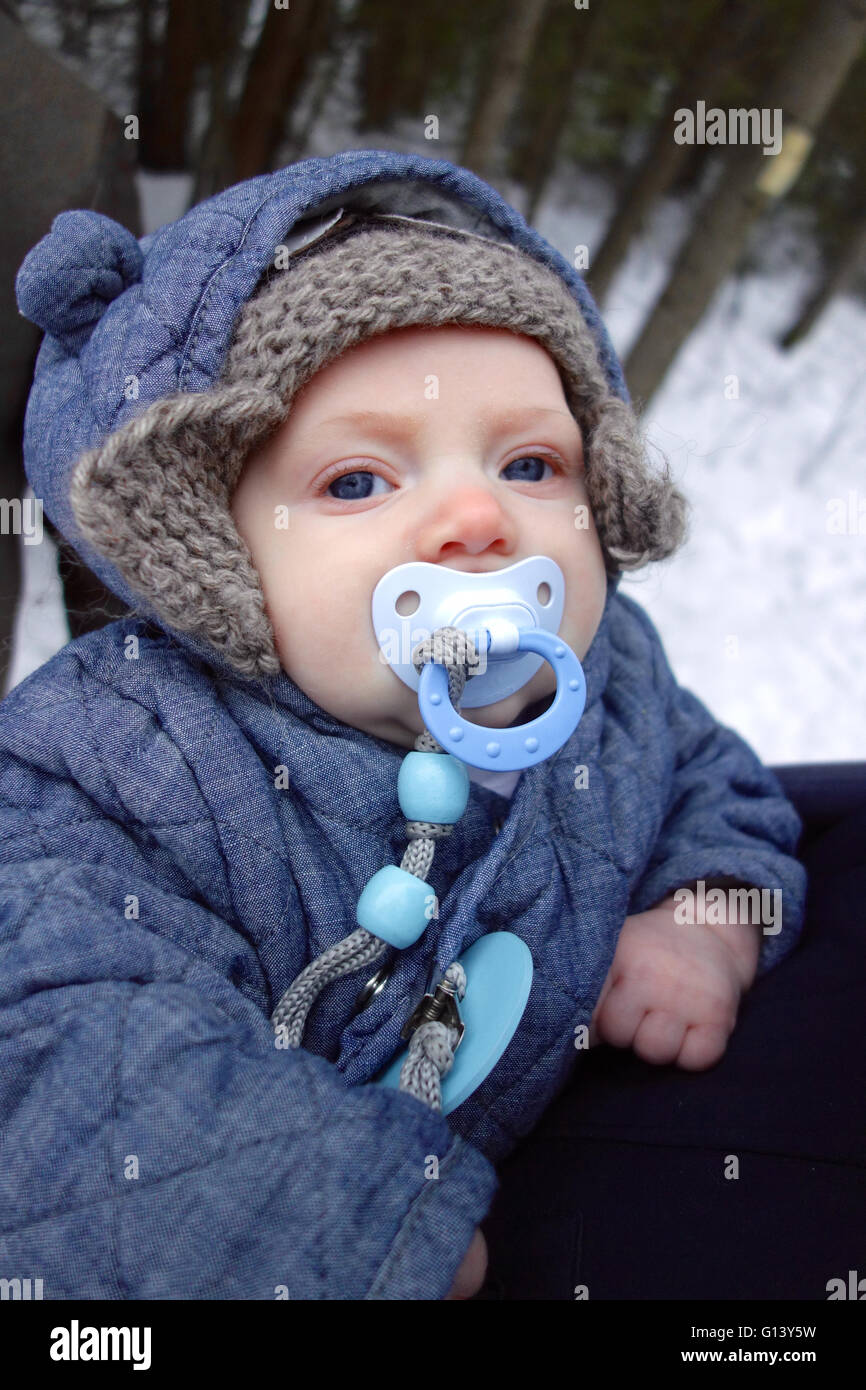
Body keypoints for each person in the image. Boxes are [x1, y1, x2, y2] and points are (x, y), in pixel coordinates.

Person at [3, 149, 805, 1300]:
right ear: (216, 554)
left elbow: (711, 786)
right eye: (358, 481)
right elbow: (54, 1052)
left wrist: (696, 920)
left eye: (530, 462)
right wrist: (341, 1217)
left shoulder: (611, 684)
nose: (477, 515)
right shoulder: (117, 761)